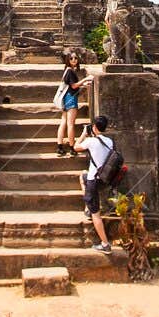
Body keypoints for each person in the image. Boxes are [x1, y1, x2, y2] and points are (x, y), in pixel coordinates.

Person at [75, 115, 115, 253]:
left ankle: (105, 244)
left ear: (94, 127)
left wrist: (83, 134)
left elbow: (75, 147)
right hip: (104, 179)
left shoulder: (91, 141)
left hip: (93, 181)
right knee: (82, 176)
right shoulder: (110, 141)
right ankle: (88, 207)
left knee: (96, 214)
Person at [54, 49, 89, 157]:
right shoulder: (70, 71)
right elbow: (73, 86)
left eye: (75, 58)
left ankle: (59, 147)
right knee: (70, 124)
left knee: (63, 122)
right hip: (71, 99)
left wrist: (83, 85)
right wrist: (85, 80)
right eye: (71, 58)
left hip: (66, 98)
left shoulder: (68, 71)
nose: (74, 60)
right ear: (67, 60)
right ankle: (72, 148)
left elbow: (72, 85)